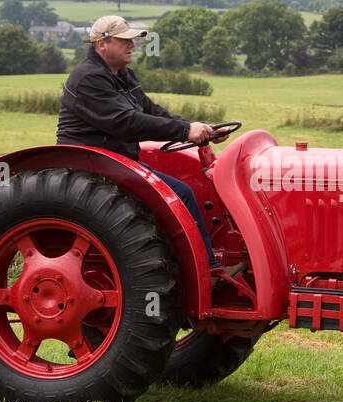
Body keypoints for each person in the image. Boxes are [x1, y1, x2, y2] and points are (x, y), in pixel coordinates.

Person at [56, 15, 244, 282]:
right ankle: (206, 272)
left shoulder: (121, 75)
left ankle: (198, 266)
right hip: (90, 164)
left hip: (116, 160)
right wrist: (184, 131)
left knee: (187, 190)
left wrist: (199, 129)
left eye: (132, 40)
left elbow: (150, 111)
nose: (132, 45)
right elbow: (126, 122)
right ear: (102, 44)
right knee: (180, 194)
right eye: (124, 40)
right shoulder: (88, 78)